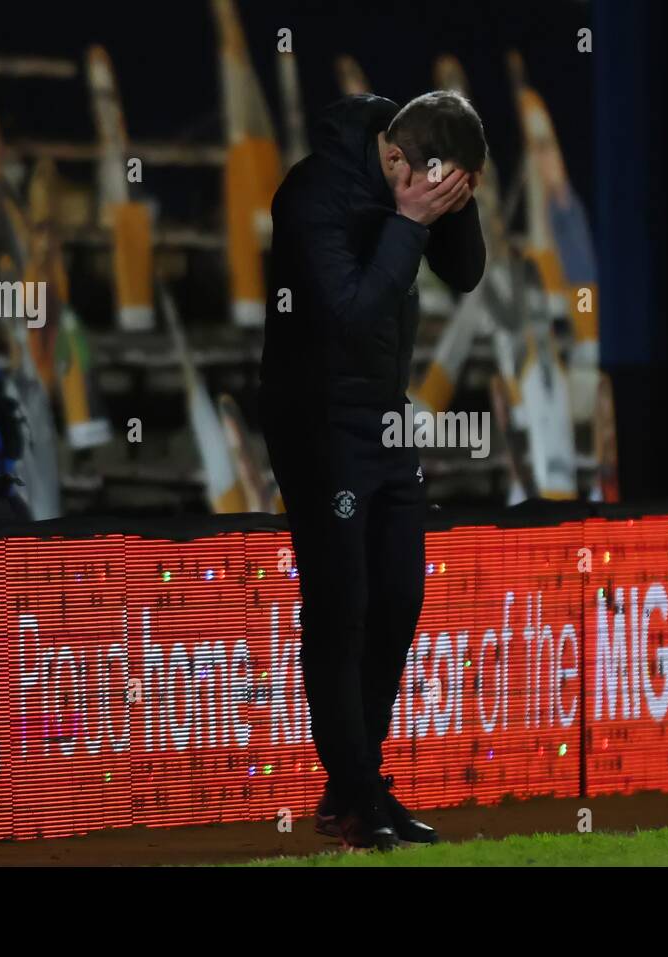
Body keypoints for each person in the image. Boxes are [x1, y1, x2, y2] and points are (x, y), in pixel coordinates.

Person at [259, 91, 487, 849]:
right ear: (396, 160)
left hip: (384, 417)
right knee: (342, 606)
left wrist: (457, 207)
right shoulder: (311, 195)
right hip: (316, 421)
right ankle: (359, 795)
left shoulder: (415, 170)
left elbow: (467, 274)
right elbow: (351, 314)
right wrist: (411, 222)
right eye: (432, 183)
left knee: (400, 595)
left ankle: (353, 788)